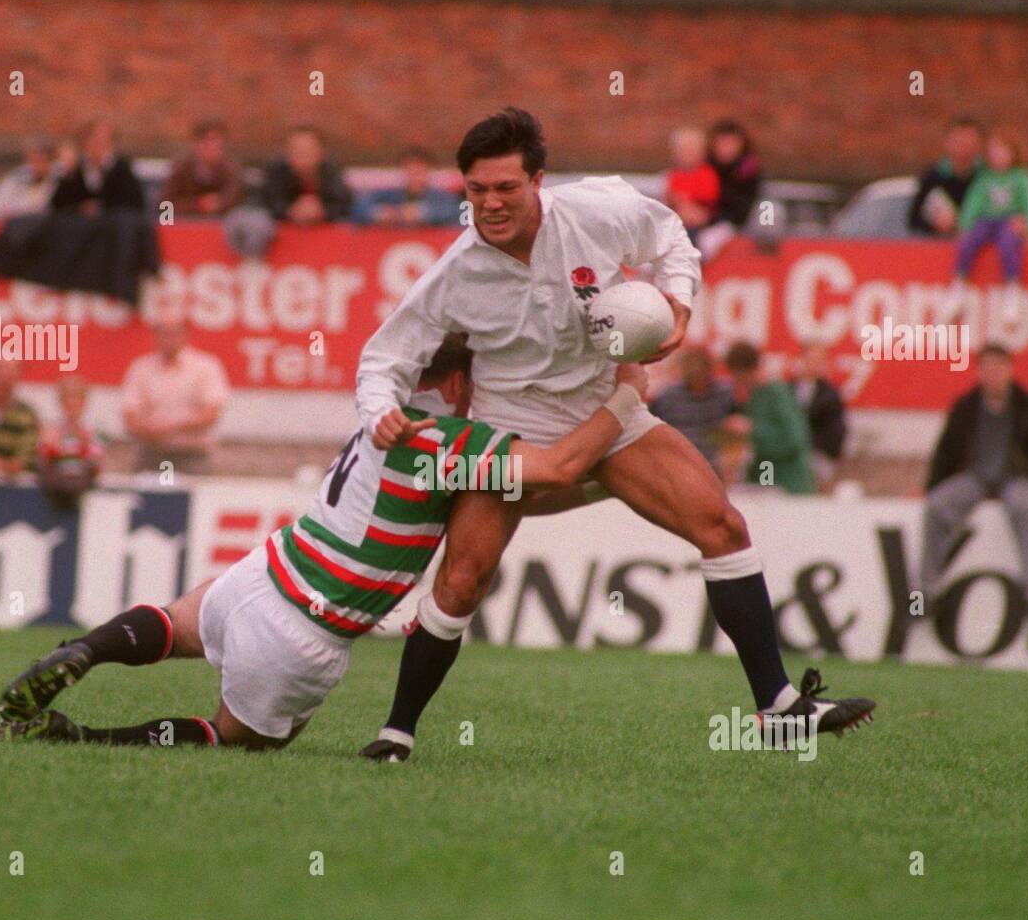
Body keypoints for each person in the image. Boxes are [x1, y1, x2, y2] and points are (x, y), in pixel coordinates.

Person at [353, 108, 874, 762]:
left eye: (506, 187)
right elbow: (383, 358)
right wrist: (380, 409)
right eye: (477, 190)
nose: (491, 203)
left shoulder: (595, 211)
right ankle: (396, 734)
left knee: (722, 526)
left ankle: (777, 709)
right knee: (461, 581)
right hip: (508, 434)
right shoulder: (455, 273)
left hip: (610, 414)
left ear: (538, 180)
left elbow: (670, 234)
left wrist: (678, 300)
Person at [0, 342, 645, 749]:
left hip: (263, 571)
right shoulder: (449, 444)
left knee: (176, 623)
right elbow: (556, 466)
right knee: (243, 739)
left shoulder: (385, 424)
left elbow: (520, 489)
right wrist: (626, 400)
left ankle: (86, 650)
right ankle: (81, 737)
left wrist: (604, 491)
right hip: (304, 626)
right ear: (453, 386)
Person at [919, 344, 1028, 607]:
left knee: (1026, 505)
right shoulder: (966, 406)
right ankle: (925, 592)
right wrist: (932, 487)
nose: (993, 374)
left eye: (998, 367)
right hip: (975, 478)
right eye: (986, 368)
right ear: (979, 372)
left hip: (1019, 478)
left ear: (1010, 370)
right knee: (937, 505)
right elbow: (944, 453)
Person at [121, 313, 229, 474]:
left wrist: (172, 427)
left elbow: (211, 413)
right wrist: (148, 429)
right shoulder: (141, 368)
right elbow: (130, 415)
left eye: (174, 334)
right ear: (155, 336)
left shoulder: (205, 367)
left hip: (193, 456)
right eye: (163, 333)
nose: (169, 339)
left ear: (185, 335)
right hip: (152, 455)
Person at [722, 341, 815, 495]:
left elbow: (794, 439)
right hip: (766, 480)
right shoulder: (752, 397)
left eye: (738, 378)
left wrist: (751, 429)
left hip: (789, 484)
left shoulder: (777, 394)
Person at [953, 130, 1028, 287]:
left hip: (1008, 221)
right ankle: (960, 279)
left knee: (1008, 244)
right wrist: (964, 226)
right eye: (993, 151)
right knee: (968, 242)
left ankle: (1012, 283)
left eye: (1002, 151)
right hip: (986, 220)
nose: (997, 155)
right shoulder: (984, 178)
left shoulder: (1021, 177)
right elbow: (973, 203)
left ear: (1013, 153)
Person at [647, 347, 735, 476]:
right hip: (678, 457)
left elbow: (738, 421)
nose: (698, 375)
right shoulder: (667, 397)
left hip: (714, 457)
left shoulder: (724, 393)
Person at [693, 119, 762, 261]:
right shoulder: (706, 167)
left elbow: (741, 210)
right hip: (703, 219)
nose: (726, 148)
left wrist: (709, 217)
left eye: (731, 143)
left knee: (706, 242)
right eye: (722, 143)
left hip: (733, 223)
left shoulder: (747, 171)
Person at [908, 117, 984, 237]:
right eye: (959, 140)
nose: (964, 146)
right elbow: (914, 220)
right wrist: (935, 224)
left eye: (969, 140)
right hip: (941, 243)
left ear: (979, 143)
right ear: (948, 142)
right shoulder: (933, 177)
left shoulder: (988, 176)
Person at [260, 126, 353, 224]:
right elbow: (268, 202)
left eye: (308, 150)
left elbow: (343, 202)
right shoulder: (275, 170)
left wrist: (321, 211)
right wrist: (290, 211)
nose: (302, 155)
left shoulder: (331, 170)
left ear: (321, 152)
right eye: (296, 150)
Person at [37, 376, 106, 508]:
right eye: (68, 397)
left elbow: (97, 465)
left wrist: (85, 443)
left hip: (84, 495)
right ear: (60, 401)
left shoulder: (94, 432)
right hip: (54, 496)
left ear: (84, 401)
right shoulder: (50, 431)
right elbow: (42, 460)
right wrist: (51, 447)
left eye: (77, 397)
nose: (72, 403)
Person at [51, 120, 145, 214]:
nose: (98, 148)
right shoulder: (75, 171)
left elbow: (133, 203)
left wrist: (104, 208)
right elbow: (59, 204)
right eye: (94, 141)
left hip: (113, 220)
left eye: (103, 142)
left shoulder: (122, 170)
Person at [352, 147, 461, 226]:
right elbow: (358, 208)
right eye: (410, 170)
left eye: (419, 170)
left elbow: (456, 213)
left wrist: (423, 213)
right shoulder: (388, 195)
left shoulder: (443, 197)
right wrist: (378, 213)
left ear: (429, 170)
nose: (415, 176)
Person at [790, 344, 848, 489]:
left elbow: (835, 431)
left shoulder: (830, 395)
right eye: (810, 359)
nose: (814, 365)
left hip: (817, 453)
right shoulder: (787, 389)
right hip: (788, 453)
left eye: (819, 361)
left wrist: (808, 446)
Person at [161, 119, 245, 217]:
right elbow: (165, 205)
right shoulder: (182, 170)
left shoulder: (231, 172)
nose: (213, 147)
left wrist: (220, 203)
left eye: (218, 142)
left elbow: (236, 200)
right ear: (197, 144)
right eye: (209, 141)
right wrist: (198, 205)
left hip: (221, 224)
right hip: (187, 223)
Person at [0, 136, 59, 217]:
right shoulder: (16, 178)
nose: (36, 166)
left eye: (42, 161)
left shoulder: (58, 182)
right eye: (33, 161)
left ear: (52, 161)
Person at [663, 126, 720, 238]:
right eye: (684, 151)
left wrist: (687, 200)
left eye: (692, 151)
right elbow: (669, 197)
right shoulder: (674, 174)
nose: (688, 155)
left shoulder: (707, 173)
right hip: (680, 216)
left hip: (703, 218)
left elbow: (710, 198)